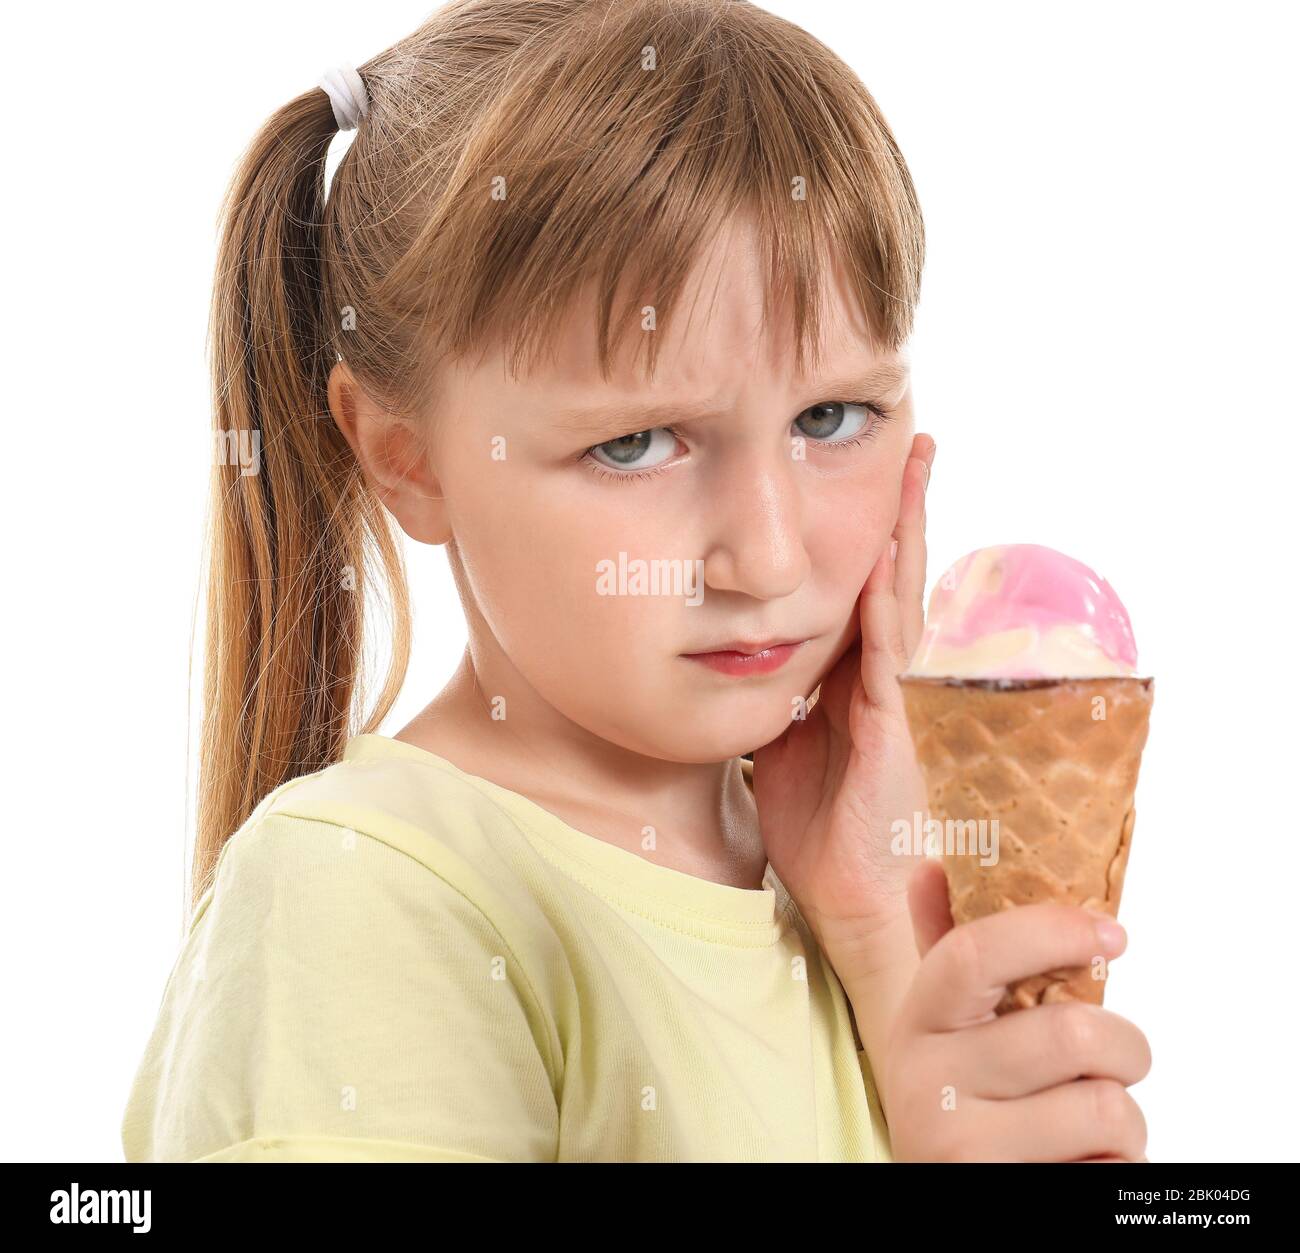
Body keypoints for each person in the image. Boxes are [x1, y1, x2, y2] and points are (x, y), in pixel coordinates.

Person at [121, 0, 1150, 1162]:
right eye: (634, 443)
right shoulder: (370, 889)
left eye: (831, 415)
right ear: (405, 455)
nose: (764, 556)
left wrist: (873, 934)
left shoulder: (845, 906)